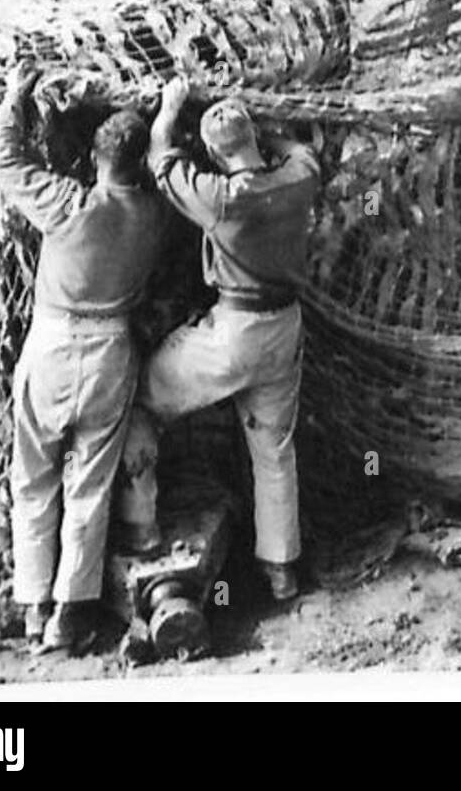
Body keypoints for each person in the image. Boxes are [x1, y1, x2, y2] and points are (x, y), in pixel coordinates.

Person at [115, 79, 319, 603]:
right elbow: (297, 148)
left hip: (232, 336)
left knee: (138, 402)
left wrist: (173, 107)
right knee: (274, 450)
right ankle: (281, 570)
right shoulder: (299, 178)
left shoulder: (220, 200)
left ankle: (142, 525)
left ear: (211, 152)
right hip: (284, 329)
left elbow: (162, 159)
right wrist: (260, 131)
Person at [0, 63, 166, 651]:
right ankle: (71, 612)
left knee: (33, 478)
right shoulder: (154, 217)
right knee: (90, 486)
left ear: (93, 157)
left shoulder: (70, 205)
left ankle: (33, 605)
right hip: (113, 352)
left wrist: (17, 96)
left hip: (55, 343)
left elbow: (5, 162)